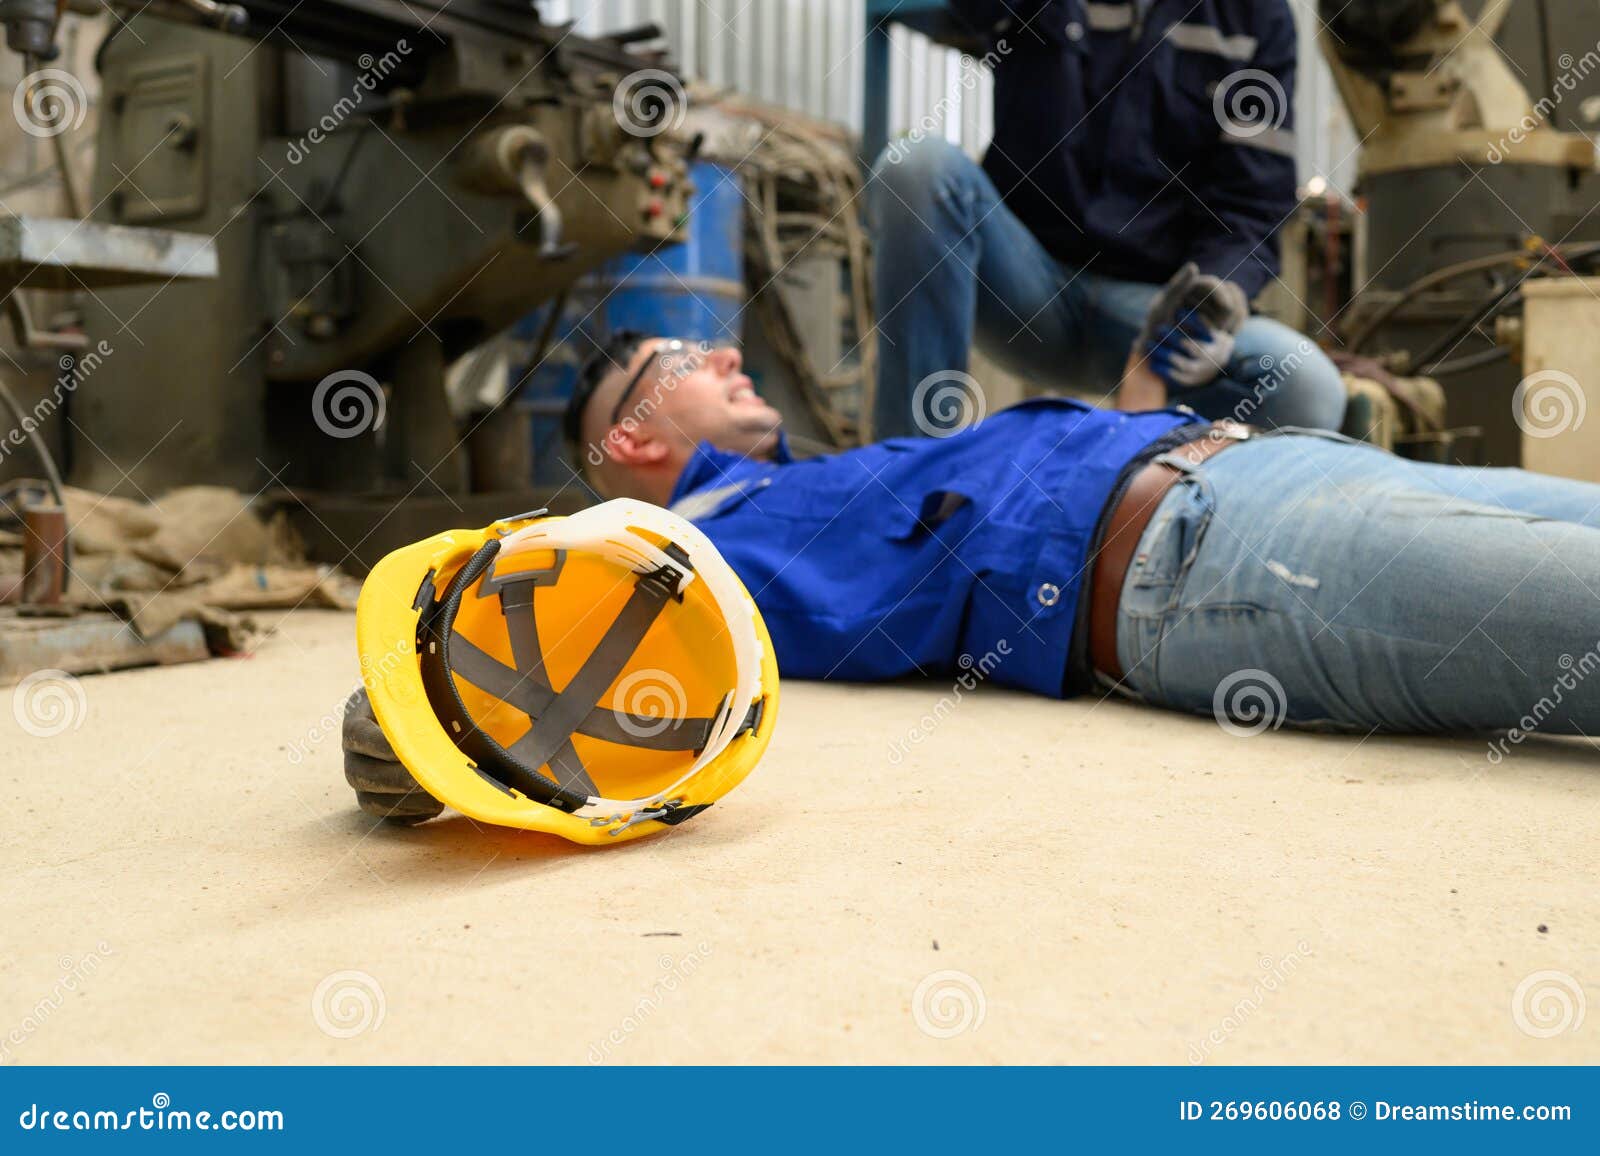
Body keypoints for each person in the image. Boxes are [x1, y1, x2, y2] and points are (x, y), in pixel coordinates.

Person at [868, 0, 1349, 439]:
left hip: (1149, 312)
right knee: (916, 171)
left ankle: (1151, 488)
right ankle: (907, 485)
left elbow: (1253, 202)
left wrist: (1207, 301)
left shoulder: (1252, 18)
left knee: (1305, 387)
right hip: (1024, 285)